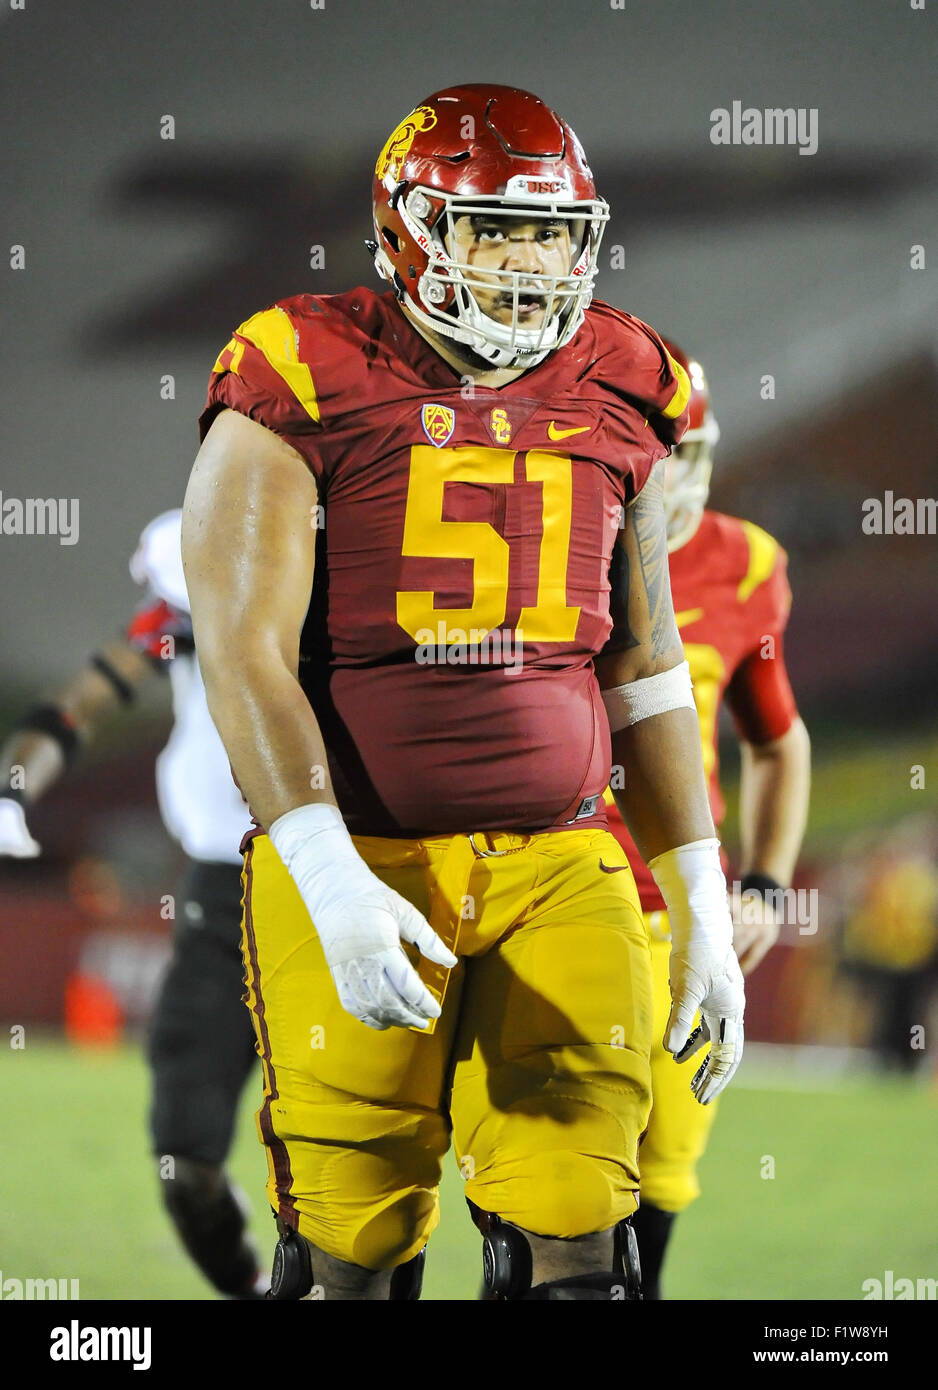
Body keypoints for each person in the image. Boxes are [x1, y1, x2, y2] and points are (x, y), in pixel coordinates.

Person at [181, 83, 746, 1302]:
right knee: (353, 1248)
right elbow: (244, 657)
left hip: (564, 860)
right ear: (410, 229)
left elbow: (644, 667)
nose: (530, 260)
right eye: (495, 225)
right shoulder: (300, 369)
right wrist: (327, 877)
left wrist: (700, 895)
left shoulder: (626, 377)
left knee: (585, 1234)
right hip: (363, 853)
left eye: (552, 231)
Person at [0, 509, 267, 1298]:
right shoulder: (184, 608)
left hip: (365, 882)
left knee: (366, 1162)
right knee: (185, 1165)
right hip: (228, 891)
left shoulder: (366, 572)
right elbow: (86, 696)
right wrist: (14, 791)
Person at [605, 341, 811, 1298]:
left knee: (661, 1174)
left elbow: (777, 739)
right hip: (539, 887)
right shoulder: (556, 545)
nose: (680, 475)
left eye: (696, 451)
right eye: (664, 449)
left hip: (672, 912)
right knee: (533, 1177)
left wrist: (765, 881)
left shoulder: (744, 563)